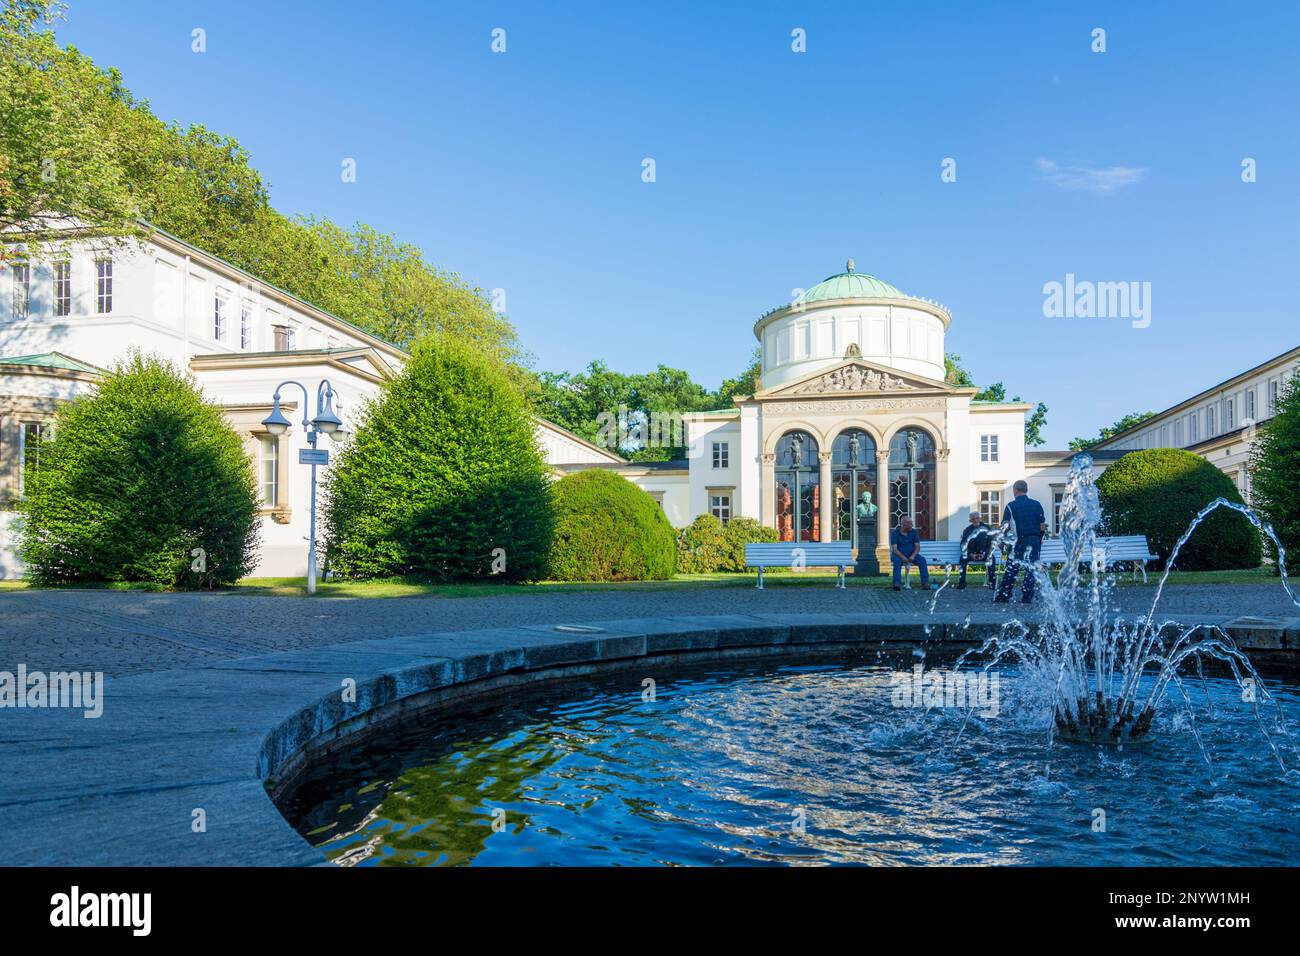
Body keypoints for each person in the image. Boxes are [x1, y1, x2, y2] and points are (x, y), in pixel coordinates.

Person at [995, 480, 1046, 604]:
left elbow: (1005, 527)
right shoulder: (1037, 504)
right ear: (1026, 489)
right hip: (1034, 540)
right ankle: (1027, 596)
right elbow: (1042, 526)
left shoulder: (1010, 506)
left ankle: (1004, 595)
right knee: (1031, 569)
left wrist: (1002, 542)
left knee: (1012, 568)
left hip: (1019, 541)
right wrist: (1039, 539)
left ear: (1015, 490)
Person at [956, 512, 996, 590]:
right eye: (973, 519)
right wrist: (970, 554)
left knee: (991, 558)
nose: (975, 520)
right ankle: (962, 583)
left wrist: (984, 553)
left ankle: (992, 583)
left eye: (977, 518)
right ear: (970, 520)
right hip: (971, 554)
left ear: (980, 519)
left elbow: (991, 544)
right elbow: (963, 545)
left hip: (984, 554)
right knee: (962, 559)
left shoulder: (987, 528)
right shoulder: (967, 530)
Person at [890, 515, 931, 591]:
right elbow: (895, 549)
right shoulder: (895, 533)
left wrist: (913, 556)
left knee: (922, 560)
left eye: (912, 523)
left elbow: (917, 547)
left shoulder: (914, 532)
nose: (912, 525)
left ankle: (925, 583)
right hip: (898, 554)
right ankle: (896, 583)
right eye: (910, 524)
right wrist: (903, 557)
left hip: (911, 554)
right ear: (904, 525)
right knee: (897, 561)